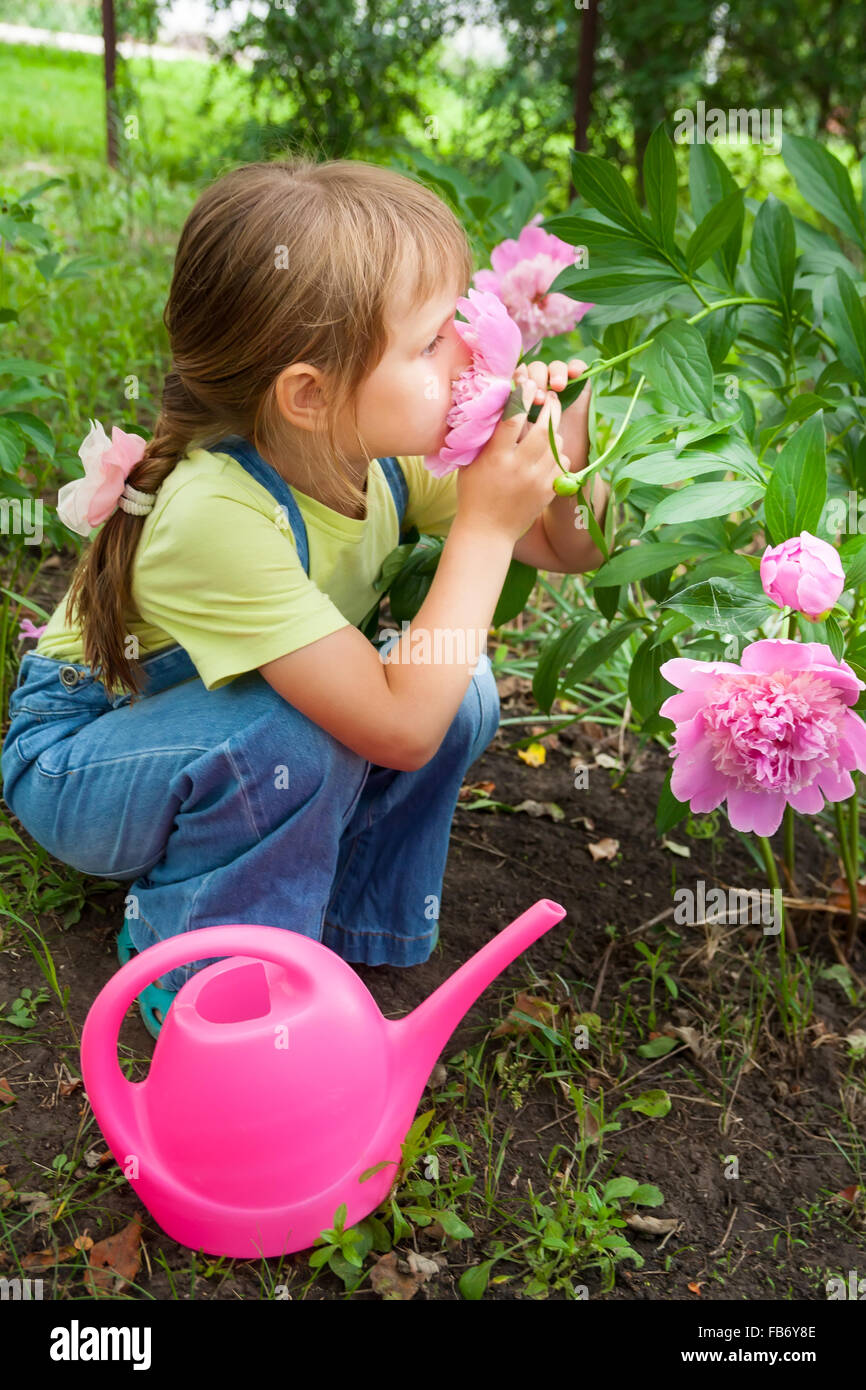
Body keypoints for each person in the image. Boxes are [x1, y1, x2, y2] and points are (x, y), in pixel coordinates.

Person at [1, 156, 603, 1039]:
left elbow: (563, 544)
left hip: (212, 727)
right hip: (84, 759)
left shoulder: (383, 455)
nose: (472, 348)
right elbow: (398, 728)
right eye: (433, 341)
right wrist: (478, 529)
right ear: (310, 396)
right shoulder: (215, 513)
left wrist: (567, 439)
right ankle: (212, 988)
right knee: (298, 736)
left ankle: (344, 927)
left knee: (459, 690)